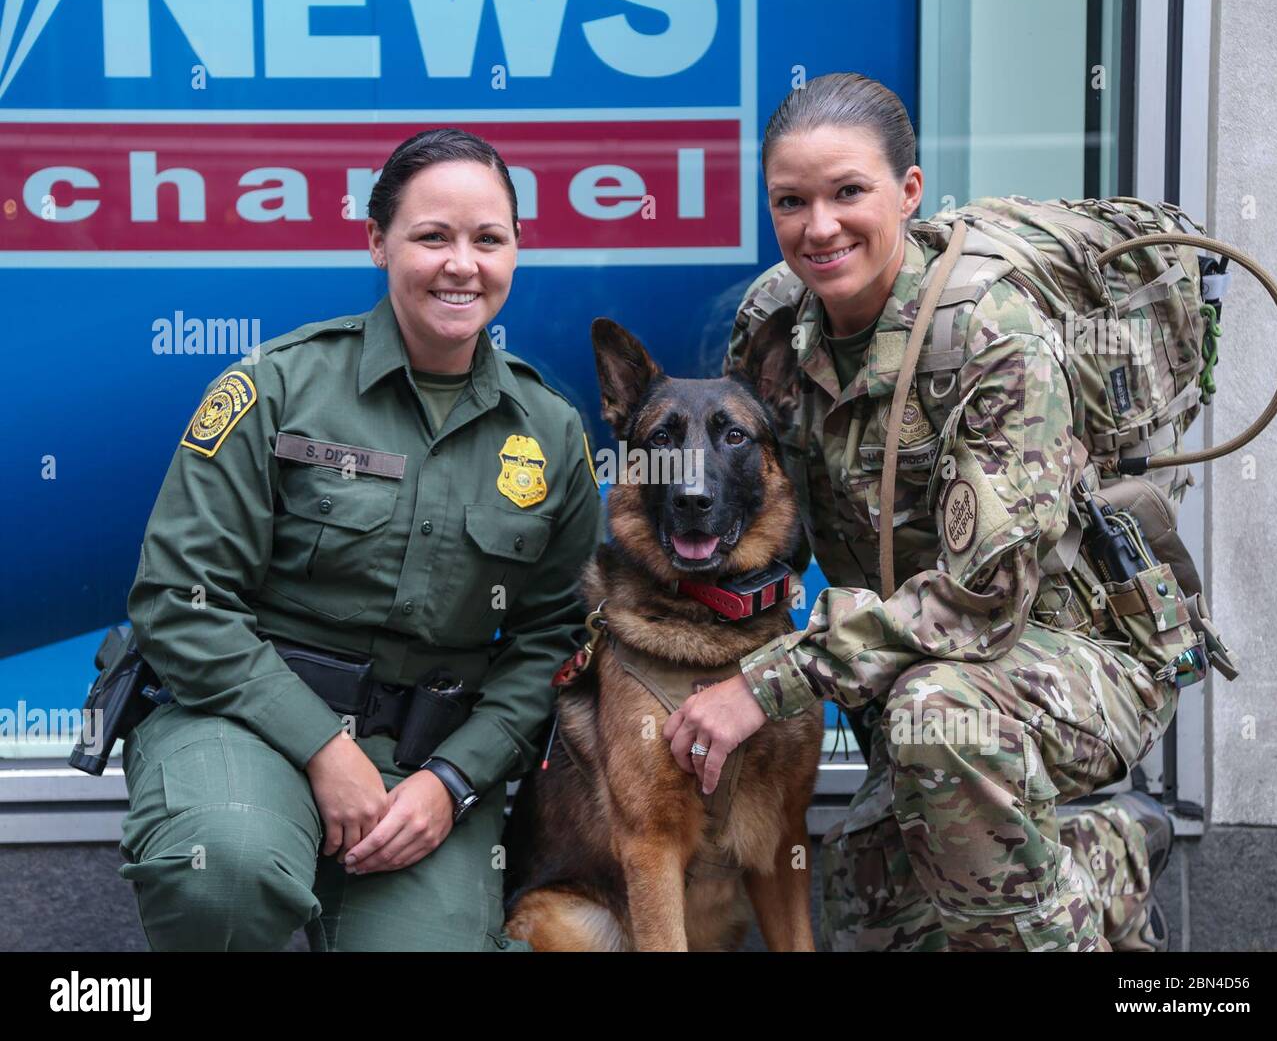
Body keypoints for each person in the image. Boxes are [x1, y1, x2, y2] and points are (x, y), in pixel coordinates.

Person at [661, 74, 1179, 952]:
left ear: (907, 191)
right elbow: (758, 515)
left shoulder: (991, 330)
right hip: (906, 667)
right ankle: (1076, 859)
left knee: (940, 725)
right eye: (791, 201)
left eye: (848, 192)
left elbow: (985, 597)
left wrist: (767, 683)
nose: (819, 226)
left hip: (1067, 653)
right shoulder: (775, 320)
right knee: (868, 883)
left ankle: (1107, 868)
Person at [118, 128, 601, 952]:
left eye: (489, 238)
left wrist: (453, 781)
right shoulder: (277, 388)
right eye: (432, 236)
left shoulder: (551, 432)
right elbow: (179, 600)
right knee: (225, 872)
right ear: (377, 242)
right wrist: (321, 747)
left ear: (518, 249)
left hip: (428, 762)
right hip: (248, 724)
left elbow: (548, 641)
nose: (463, 264)